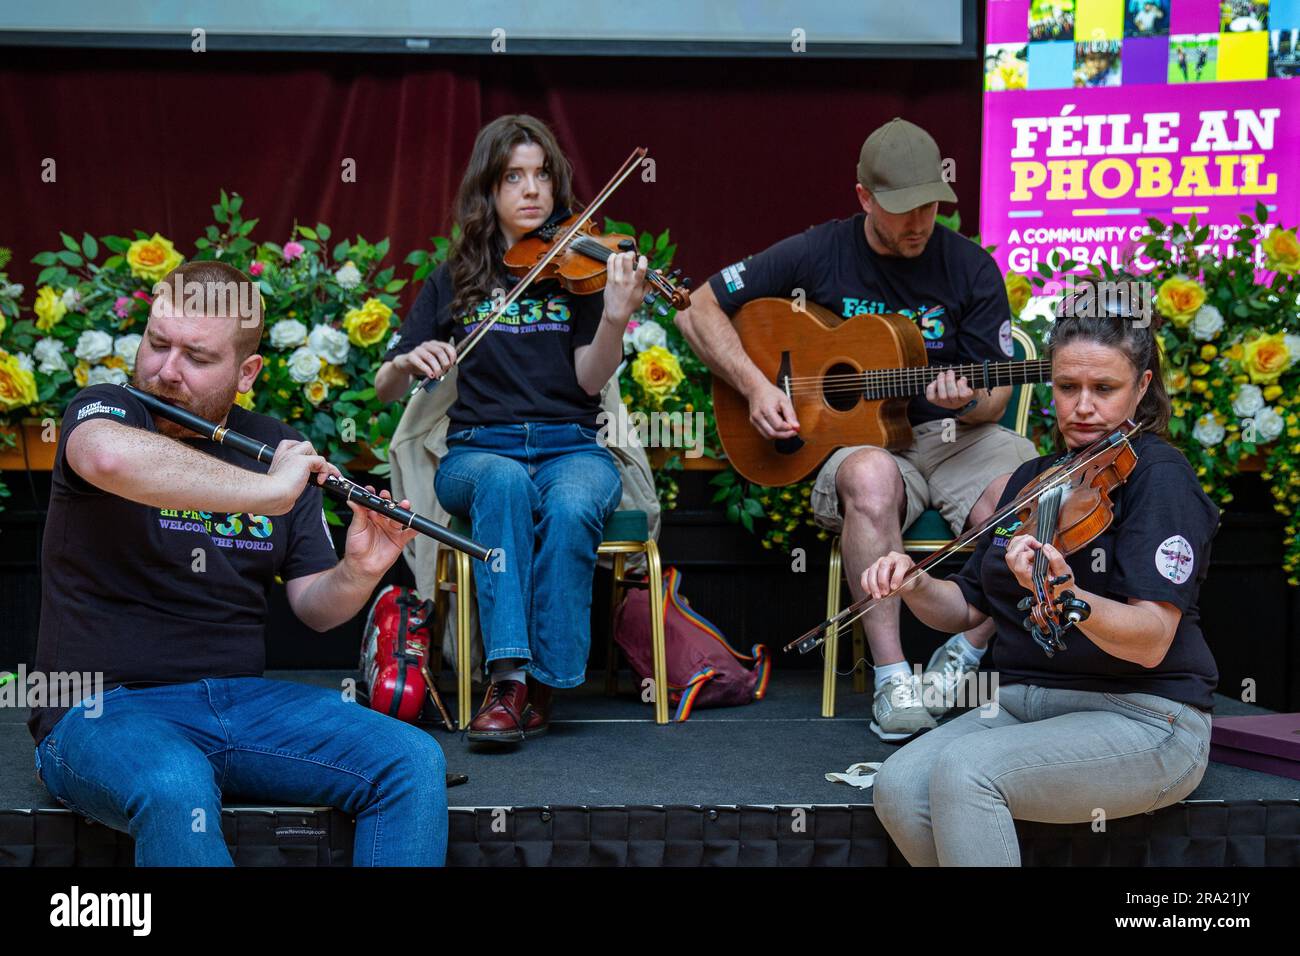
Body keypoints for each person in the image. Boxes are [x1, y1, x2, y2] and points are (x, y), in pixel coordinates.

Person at [29, 260, 448, 866]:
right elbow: (110, 461)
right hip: (102, 709)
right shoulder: (106, 410)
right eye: (156, 343)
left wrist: (359, 568)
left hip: (240, 703)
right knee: (174, 782)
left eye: (196, 358)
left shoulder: (273, 444)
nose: (165, 370)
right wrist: (271, 492)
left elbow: (316, 609)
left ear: (246, 371)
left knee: (410, 760)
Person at [675, 118, 1037, 741]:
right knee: (869, 479)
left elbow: (996, 393)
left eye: (930, 206)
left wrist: (966, 401)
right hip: (866, 444)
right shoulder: (819, 250)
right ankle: (895, 680)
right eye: (902, 209)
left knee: (1028, 491)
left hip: (956, 437)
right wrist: (756, 386)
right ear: (865, 198)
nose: (919, 221)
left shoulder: (971, 268)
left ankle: (965, 654)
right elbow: (696, 306)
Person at [865, 287, 1219, 866]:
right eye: (1067, 387)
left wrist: (1070, 596)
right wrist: (914, 584)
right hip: (1024, 703)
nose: (1083, 406)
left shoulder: (1159, 477)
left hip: (1143, 714)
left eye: (1104, 390)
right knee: (898, 786)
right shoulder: (1032, 476)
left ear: (1142, 386)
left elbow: (1153, 639)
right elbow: (966, 610)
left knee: (965, 773)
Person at [374, 115, 649, 744]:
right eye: (514, 177)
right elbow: (386, 389)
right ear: (488, 190)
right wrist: (406, 361)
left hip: (570, 446)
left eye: (543, 175)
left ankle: (544, 682)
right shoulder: (455, 278)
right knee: (502, 484)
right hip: (478, 451)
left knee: (577, 499)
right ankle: (509, 679)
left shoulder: (580, 268)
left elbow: (588, 379)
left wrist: (612, 319)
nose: (532, 190)